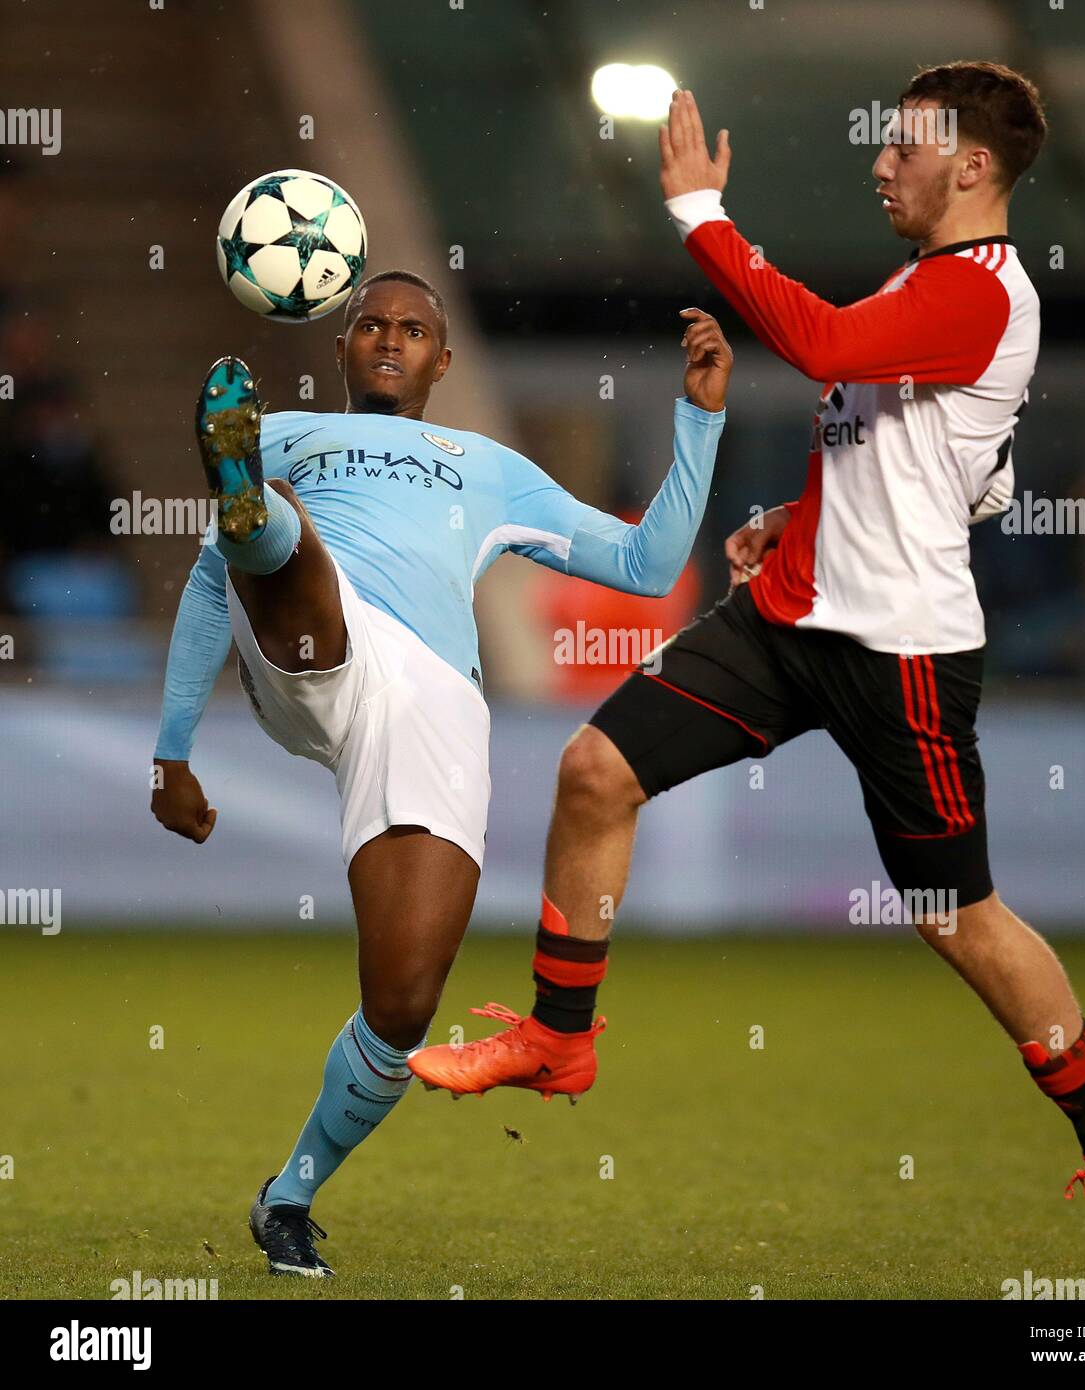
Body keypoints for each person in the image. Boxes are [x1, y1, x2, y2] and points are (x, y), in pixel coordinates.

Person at [407, 64, 1085, 1295]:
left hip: (901, 654)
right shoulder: (924, 287)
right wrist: (784, 514)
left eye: (905, 148)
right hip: (790, 616)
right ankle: (558, 1035)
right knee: (596, 770)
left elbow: (816, 343)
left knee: (957, 920)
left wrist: (699, 213)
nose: (880, 163)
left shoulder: (981, 292)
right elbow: (910, 456)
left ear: (973, 166)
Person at [151, 269, 733, 1276]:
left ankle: (288, 1197)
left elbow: (645, 565)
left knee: (405, 1000)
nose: (387, 339)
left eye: (411, 328)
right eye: (367, 324)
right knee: (277, 532)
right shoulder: (281, 428)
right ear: (338, 348)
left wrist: (699, 419)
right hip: (310, 637)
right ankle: (255, 513)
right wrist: (172, 750)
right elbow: (208, 583)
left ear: (441, 359)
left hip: (428, 701)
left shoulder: (489, 467)